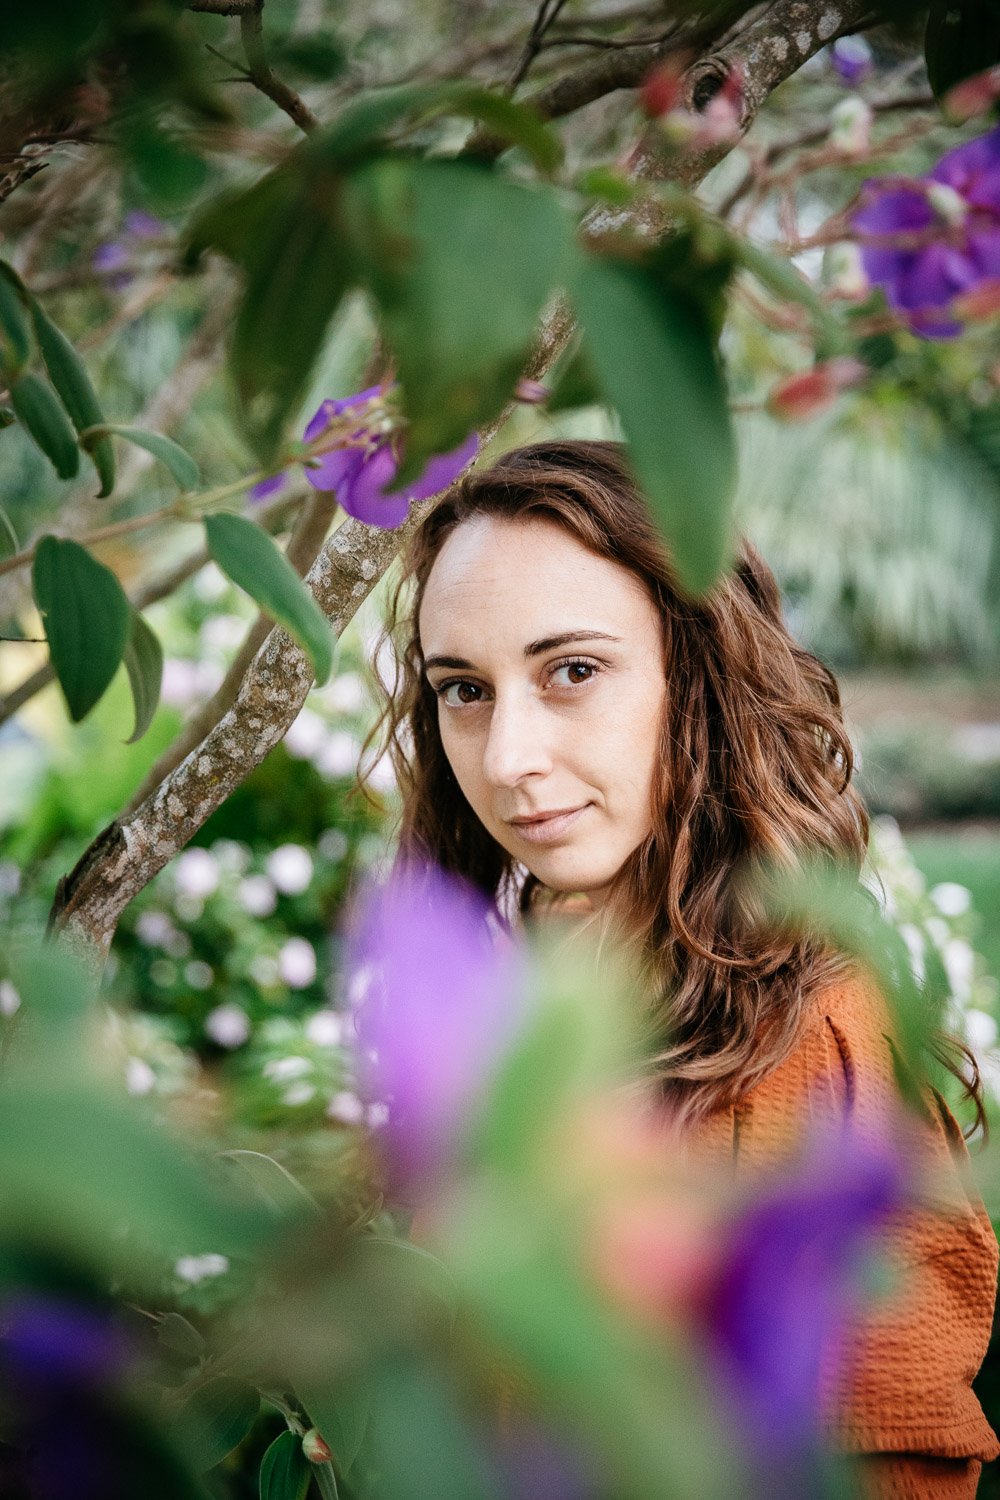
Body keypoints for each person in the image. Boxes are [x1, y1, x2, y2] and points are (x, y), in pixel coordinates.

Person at [370, 438, 999, 1497]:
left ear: (697, 673)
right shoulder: (491, 998)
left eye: (572, 671)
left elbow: (890, 1460)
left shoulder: (816, 1039)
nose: (508, 754)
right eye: (463, 689)